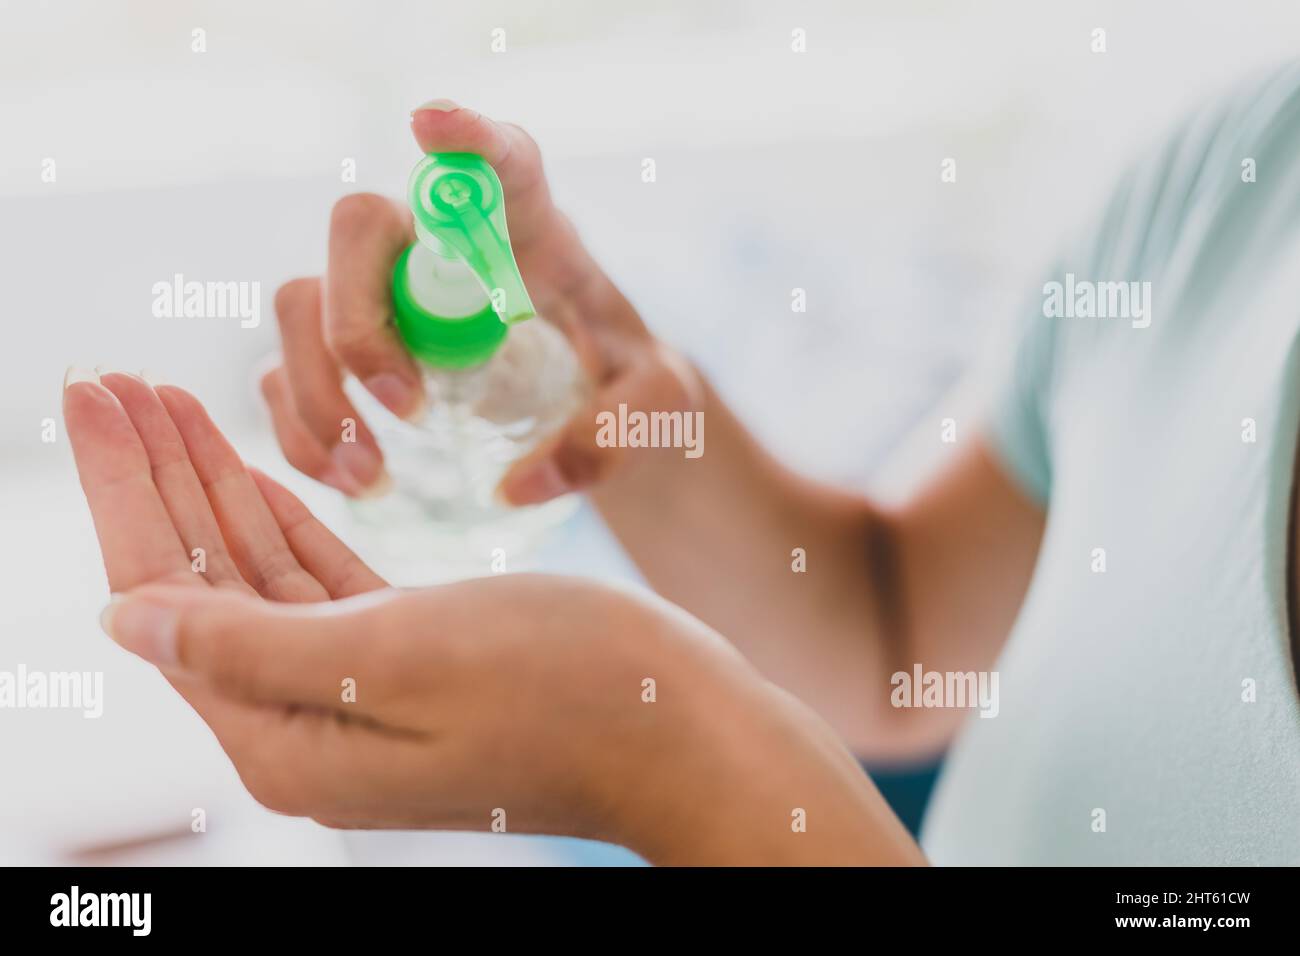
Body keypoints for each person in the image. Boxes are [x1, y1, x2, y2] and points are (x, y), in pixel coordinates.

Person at [72, 66, 1300, 865]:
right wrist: (623, 417)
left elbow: (693, 750)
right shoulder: (1234, 169)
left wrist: (674, 770)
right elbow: (897, 624)